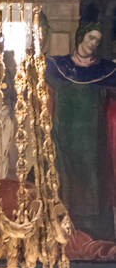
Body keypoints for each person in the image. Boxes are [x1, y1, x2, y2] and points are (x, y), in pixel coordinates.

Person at [46, 23, 116, 241]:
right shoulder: (57, 66)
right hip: (63, 133)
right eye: (90, 37)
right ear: (80, 36)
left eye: (97, 40)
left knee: (92, 179)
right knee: (64, 177)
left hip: (92, 137)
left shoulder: (107, 70)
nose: (92, 43)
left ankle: (91, 229)